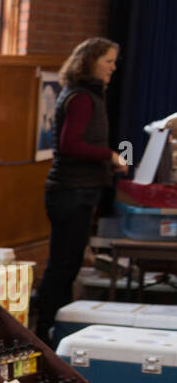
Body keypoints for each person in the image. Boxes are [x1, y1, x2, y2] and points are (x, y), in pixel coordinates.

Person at [31, 37, 127, 342]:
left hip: (78, 191)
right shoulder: (82, 98)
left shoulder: (89, 95)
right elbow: (70, 145)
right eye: (108, 61)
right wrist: (109, 155)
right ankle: (46, 333)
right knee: (62, 266)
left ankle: (53, 329)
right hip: (71, 193)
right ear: (90, 62)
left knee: (68, 265)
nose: (113, 67)